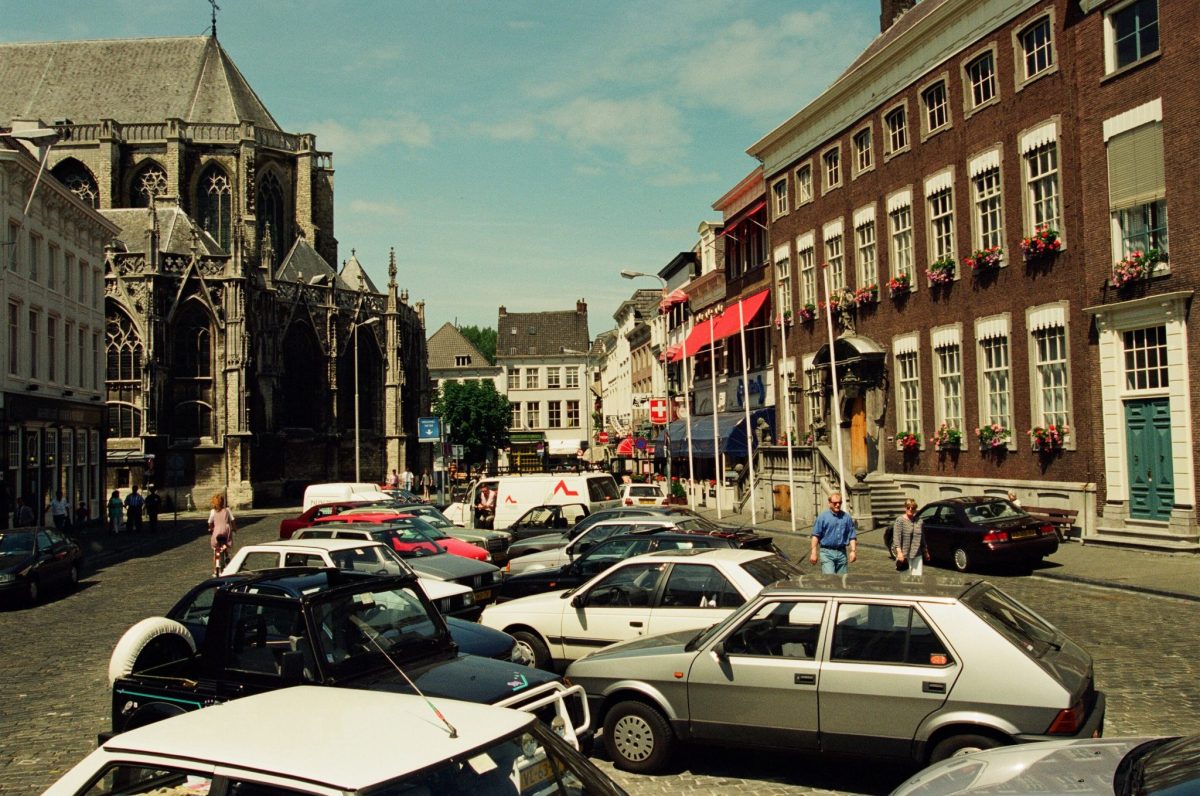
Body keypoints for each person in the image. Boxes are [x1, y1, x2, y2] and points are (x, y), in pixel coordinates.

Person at [809, 492, 857, 574]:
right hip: (827, 553)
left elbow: (852, 536)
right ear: (829, 503)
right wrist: (813, 553)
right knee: (830, 579)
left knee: (842, 581)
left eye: (840, 503)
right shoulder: (822, 517)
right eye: (835, 503)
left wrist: (853, 551)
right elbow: (816, 536)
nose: (838, 505)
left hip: (842, 553)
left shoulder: (847, 518)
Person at [893, 499, 928, 577]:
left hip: (917, 554)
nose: (910, 509)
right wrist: (899, 552)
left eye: (913, 508)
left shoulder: (919, 521)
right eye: (908, 507)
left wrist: (925, 551)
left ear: (915, 509)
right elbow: (896, 538)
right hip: (904, 555)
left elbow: (922, 537)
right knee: (905, 578)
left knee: (917, 578)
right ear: (905, 507)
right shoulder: (900, 521)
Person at [208, 493, 236, 575]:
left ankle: (215, 570)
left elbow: (210, 522)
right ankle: (227, 557)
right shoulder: (227, 510)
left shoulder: (213, 511)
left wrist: (210, 528)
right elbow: (233, 520)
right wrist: (234, 528)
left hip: (217, 532)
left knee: (215, 550)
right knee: (226, 546)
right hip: (226, 532)